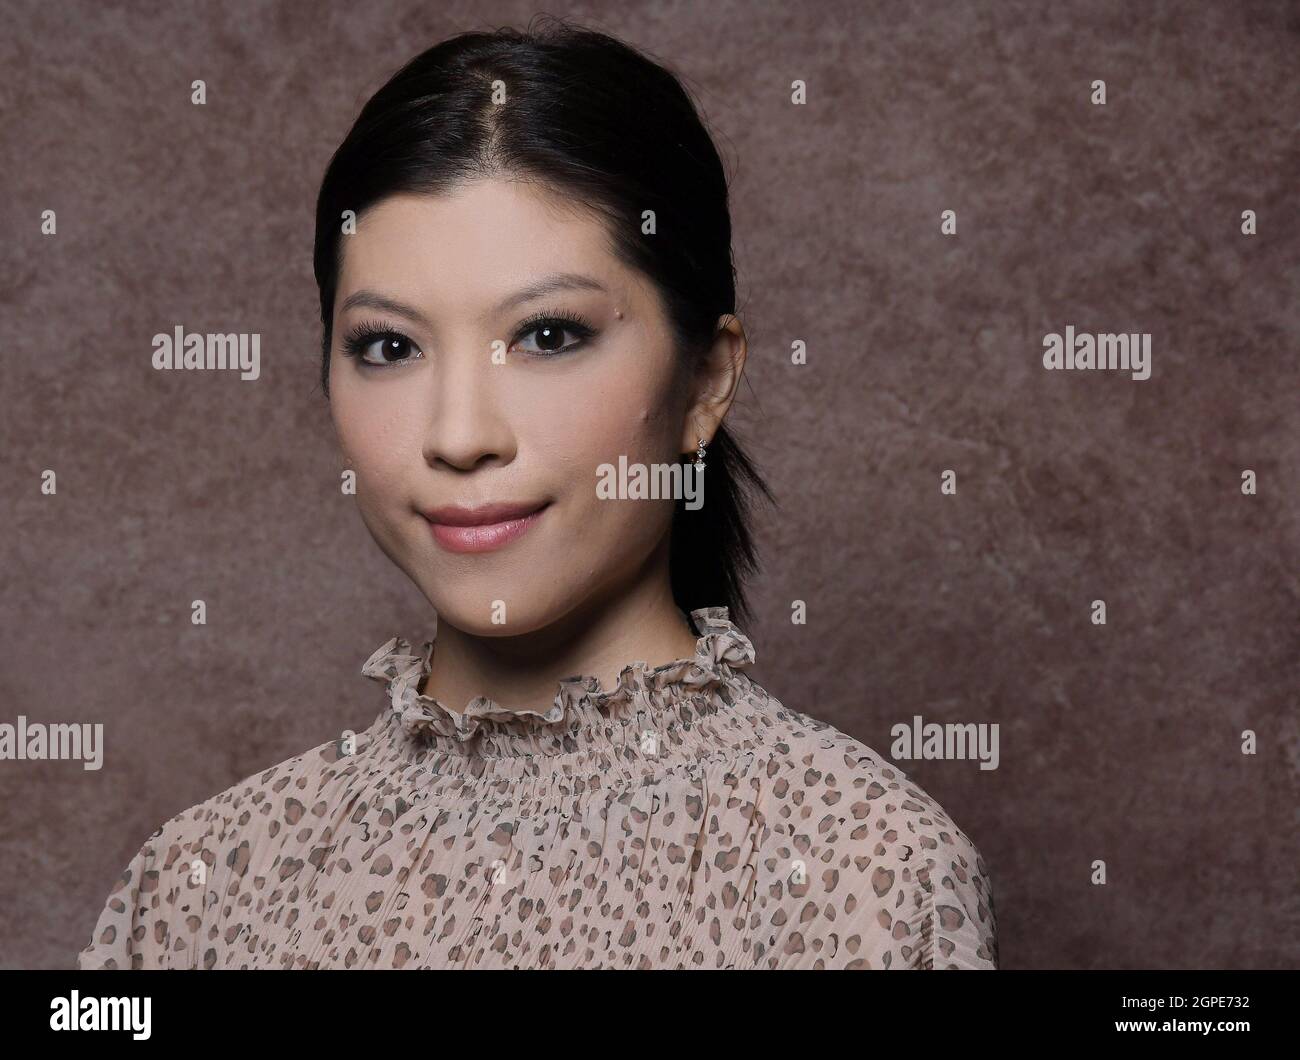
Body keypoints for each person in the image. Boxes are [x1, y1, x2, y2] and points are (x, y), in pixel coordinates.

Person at [77, 15, 996, 970]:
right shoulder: (196, 893)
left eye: (548, 336)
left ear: (705, 382)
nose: (461, 435)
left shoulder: (863, 876)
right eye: (389, 346)